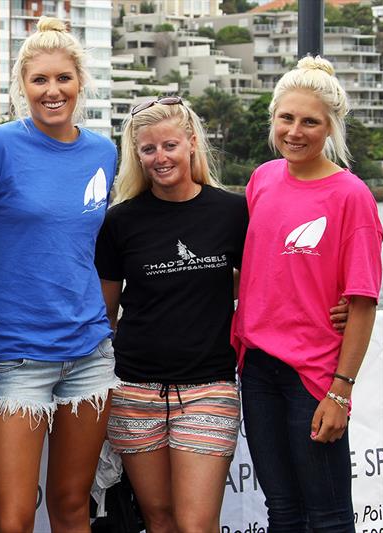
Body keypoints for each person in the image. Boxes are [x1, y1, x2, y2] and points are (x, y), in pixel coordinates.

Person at [0, 17, 119, 533]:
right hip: (13, 355)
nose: (53, 91)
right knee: (14, 517)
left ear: (81, 82)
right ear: (22, 86)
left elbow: (98, 246)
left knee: (73, 507)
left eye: (63, 78)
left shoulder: (104, 152)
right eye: (40, 80)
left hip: (89, 354)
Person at [234, 55, 382, 532]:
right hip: (258, 369)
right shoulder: (262, 179)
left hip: (315, 376)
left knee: (329, 517)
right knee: (282, 511)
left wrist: (340, 391)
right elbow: (257, 269)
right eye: (286, 118)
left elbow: (363, 302)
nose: (295, 132)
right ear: (273, 118)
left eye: (310, 122)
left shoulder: (351, 195)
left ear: (331, 126)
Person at [94, 96, 245, 532]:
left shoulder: (232, 212)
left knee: (196, 523)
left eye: (170, 145)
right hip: (135, 390)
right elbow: (105, 313)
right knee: (159, 518)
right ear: (137, 155)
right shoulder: (119, 222)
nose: (160, 157)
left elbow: (262, 286)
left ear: (191, 143)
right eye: (149, 149)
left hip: (208, 387)